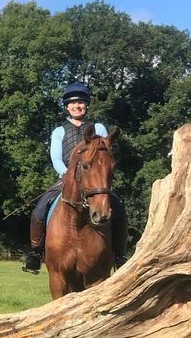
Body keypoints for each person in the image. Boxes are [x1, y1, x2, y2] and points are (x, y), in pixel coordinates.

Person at [24, 81, 127, 272]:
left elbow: (104, 156)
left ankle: (120, 254)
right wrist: (67, 173)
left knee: (118, 207)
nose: (77, 106)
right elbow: (55, 157)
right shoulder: (59, 131)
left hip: (94, 180)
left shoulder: (99, 128)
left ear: (86, 105)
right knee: (40, 208)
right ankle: (35, 252)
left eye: (80, 102)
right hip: (67, 178)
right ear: (66, 106)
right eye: (72, 103)